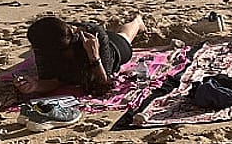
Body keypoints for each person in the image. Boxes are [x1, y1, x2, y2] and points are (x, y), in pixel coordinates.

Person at [14, 13, 144, 96]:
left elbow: (103, 86)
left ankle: (137, 21)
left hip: (112, 49)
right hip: (66, 48)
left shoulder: (93, 36)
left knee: (124, 37)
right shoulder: (44, 49)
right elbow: (53, 81)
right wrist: (35, 85)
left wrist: (94, 57)